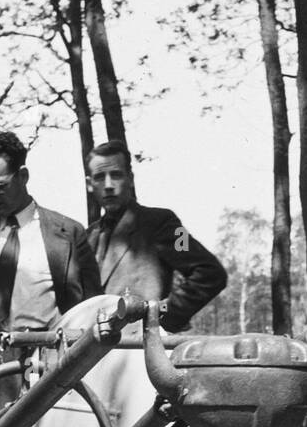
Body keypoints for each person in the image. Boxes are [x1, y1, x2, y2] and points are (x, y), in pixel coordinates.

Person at [0, 128, 100, 343]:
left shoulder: (69, 232)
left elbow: (91, 305)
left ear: (23, 176)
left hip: (45, 352)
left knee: (34, 376)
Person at [84, 140, 227, 332]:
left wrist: (162, 315)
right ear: (89, 184)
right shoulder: (87, 237)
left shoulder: (163, 222)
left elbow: (209, 272)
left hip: (143, 347)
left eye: (116, 175)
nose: (108, 185)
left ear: (131, 178)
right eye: (100, 177)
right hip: (98, 351)